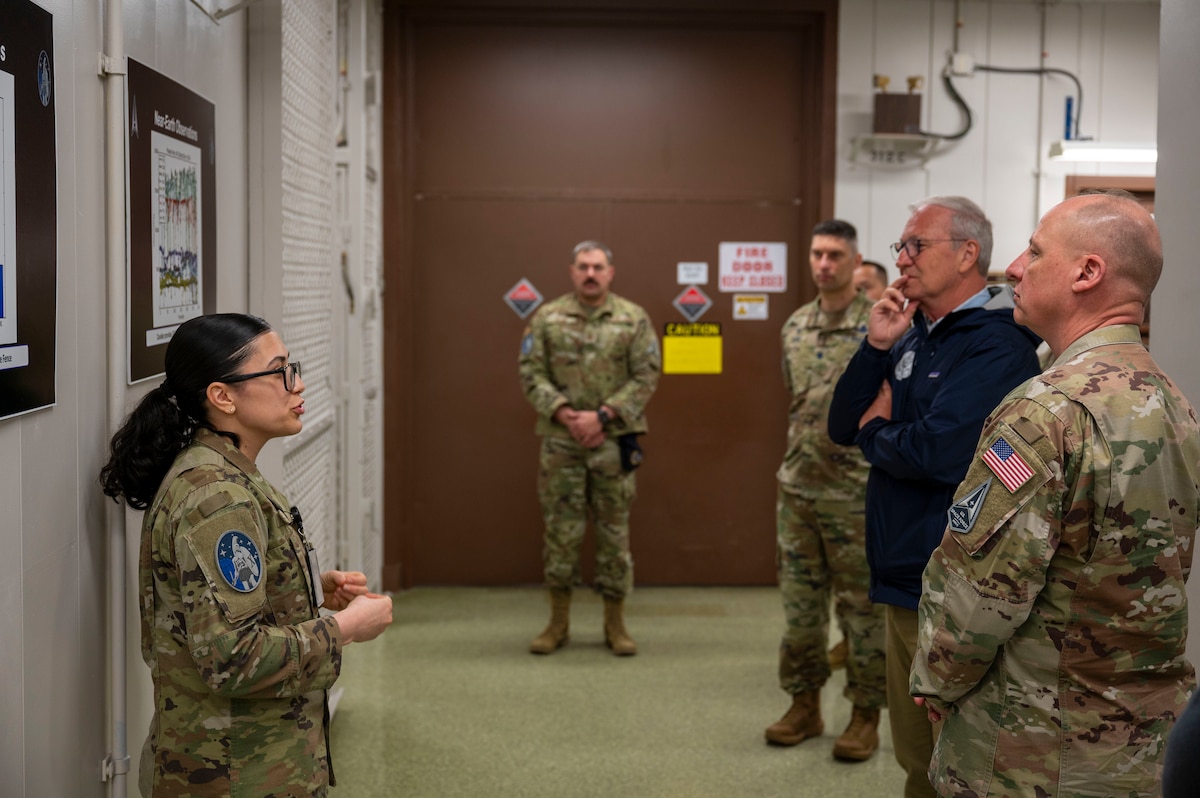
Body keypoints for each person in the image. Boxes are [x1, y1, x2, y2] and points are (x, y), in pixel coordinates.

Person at [910, 192, 1200, 797]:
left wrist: (935, 682)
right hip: (1141, 743)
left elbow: (981, 591)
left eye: (1035, 251)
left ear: (1087, 273)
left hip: (1034, 746)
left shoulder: (1045, 412)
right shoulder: (1172, 402)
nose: (1014, 266)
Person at [99, 313, 394, 797]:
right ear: (222, 396)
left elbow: (216, 600)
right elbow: (232, 658)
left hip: (240, 761)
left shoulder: (219, 467)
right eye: (279, 372)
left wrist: (308, 590)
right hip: (233, 773)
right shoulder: (217, 498)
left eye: (291, 367)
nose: (297, 384)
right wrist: (345, 629)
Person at [828, 196, 1041, 798]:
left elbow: (939, 452)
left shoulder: (998, 346)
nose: (902, 259)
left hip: (951, 581)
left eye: (915, 245)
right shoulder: (910, 332)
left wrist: (879, 430)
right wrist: (875, 348)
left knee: (949, 759)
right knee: (914, 755)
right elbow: (840, 424)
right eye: (901, 246)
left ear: (967, 253)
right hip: (900, 573)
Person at [764, 220, 887, 761]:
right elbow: (796, 400)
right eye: (816, 254)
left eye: (835, 254)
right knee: (799, 609)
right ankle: (804, 705)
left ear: (854, 259)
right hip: (797, 490)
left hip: (854, 493)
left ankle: (864, 715)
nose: (823, 264)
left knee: (860, 612)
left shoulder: (880, 326)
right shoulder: (794, 325)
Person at [518, 240, 660, 656]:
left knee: (614, 535)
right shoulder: (547, 317)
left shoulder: (633, 319)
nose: (591, 273)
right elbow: (530, 372)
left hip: (612, 441)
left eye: (598, 266)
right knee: (561, 534)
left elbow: (647, 374)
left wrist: (601, 417)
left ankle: (615, 624)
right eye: (583, 266)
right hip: (562, 443)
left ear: (610, 272)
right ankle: (558, 623)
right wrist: (567, 415)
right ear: (572, 271)